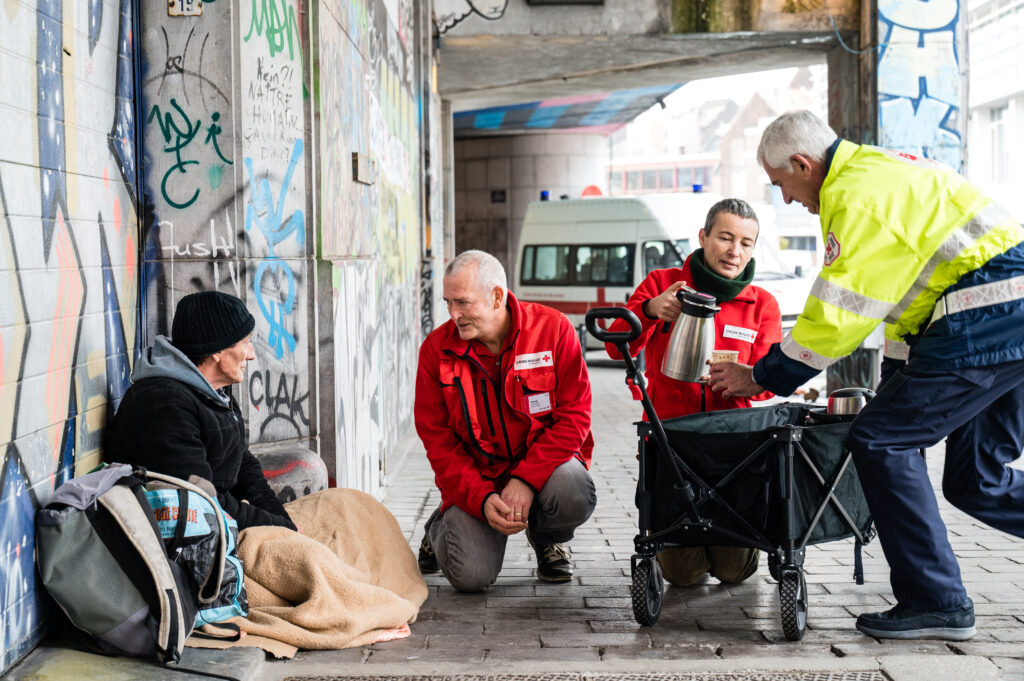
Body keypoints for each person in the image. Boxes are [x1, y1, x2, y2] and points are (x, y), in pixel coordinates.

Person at [709, 110, 1024, 641]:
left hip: (982, 319)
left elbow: (838, 315)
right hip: (1002, 318)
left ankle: (936, 601)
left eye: (782, 184)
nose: (786, 199)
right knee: (977, 481)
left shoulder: (853, 197)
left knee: (879, 440)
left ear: (804, 164)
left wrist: (762, 376)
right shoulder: (883, 168)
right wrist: (893, 380)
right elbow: (905, 300)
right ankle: (936, 597)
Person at [605, 198, 782, 587]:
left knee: (735, 571)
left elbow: (770, 381)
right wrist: (650, 311)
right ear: (703, 237)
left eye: (747, 243)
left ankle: (731, 549)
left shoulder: (762, 305)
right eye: (725, 237)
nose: (735, 251)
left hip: (735, 449)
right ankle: (681, 550)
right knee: (683, 575)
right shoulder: (662, 285)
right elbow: (615, 345)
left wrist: (749, 378)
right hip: (672, 443)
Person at [414, 250, 596, 591]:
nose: (453, 314)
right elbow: (438, 442)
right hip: (478, 476)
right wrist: (481, 498)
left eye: (463, 303)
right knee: (471, 577)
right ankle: (441, 525)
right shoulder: (436, 352)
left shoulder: (553, 330)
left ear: (497, 297)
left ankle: (545, 539)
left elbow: (575, 415)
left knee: (574, 492)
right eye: (448, 302)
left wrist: (526, 480)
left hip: (541, 472)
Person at [105, 291, 296, 532]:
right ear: (217, 351)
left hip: (216, 521)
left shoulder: (213, 391)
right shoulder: (164, 405)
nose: (251, 354)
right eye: (245, 343)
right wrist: (277, 528)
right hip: (179, 540)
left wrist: (281, 520)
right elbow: (201, 501)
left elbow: (242, 462)